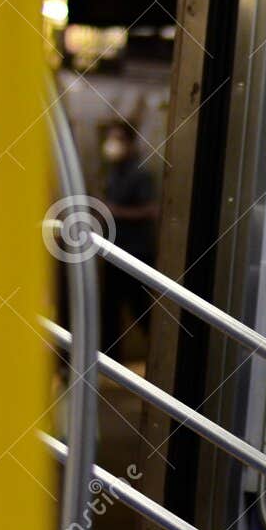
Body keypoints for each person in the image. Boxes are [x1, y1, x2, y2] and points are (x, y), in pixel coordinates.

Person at [100, 119, 160, 354]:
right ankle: (111, 361)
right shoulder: (113, 172)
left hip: (137, 251)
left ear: (130, 143)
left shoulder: (141, 173)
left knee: (140, 308)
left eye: (118, 139)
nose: (112, 145)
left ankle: (157, 351)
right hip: (114, 250)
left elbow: (152, 210)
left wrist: (117, 211)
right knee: (110, 309)